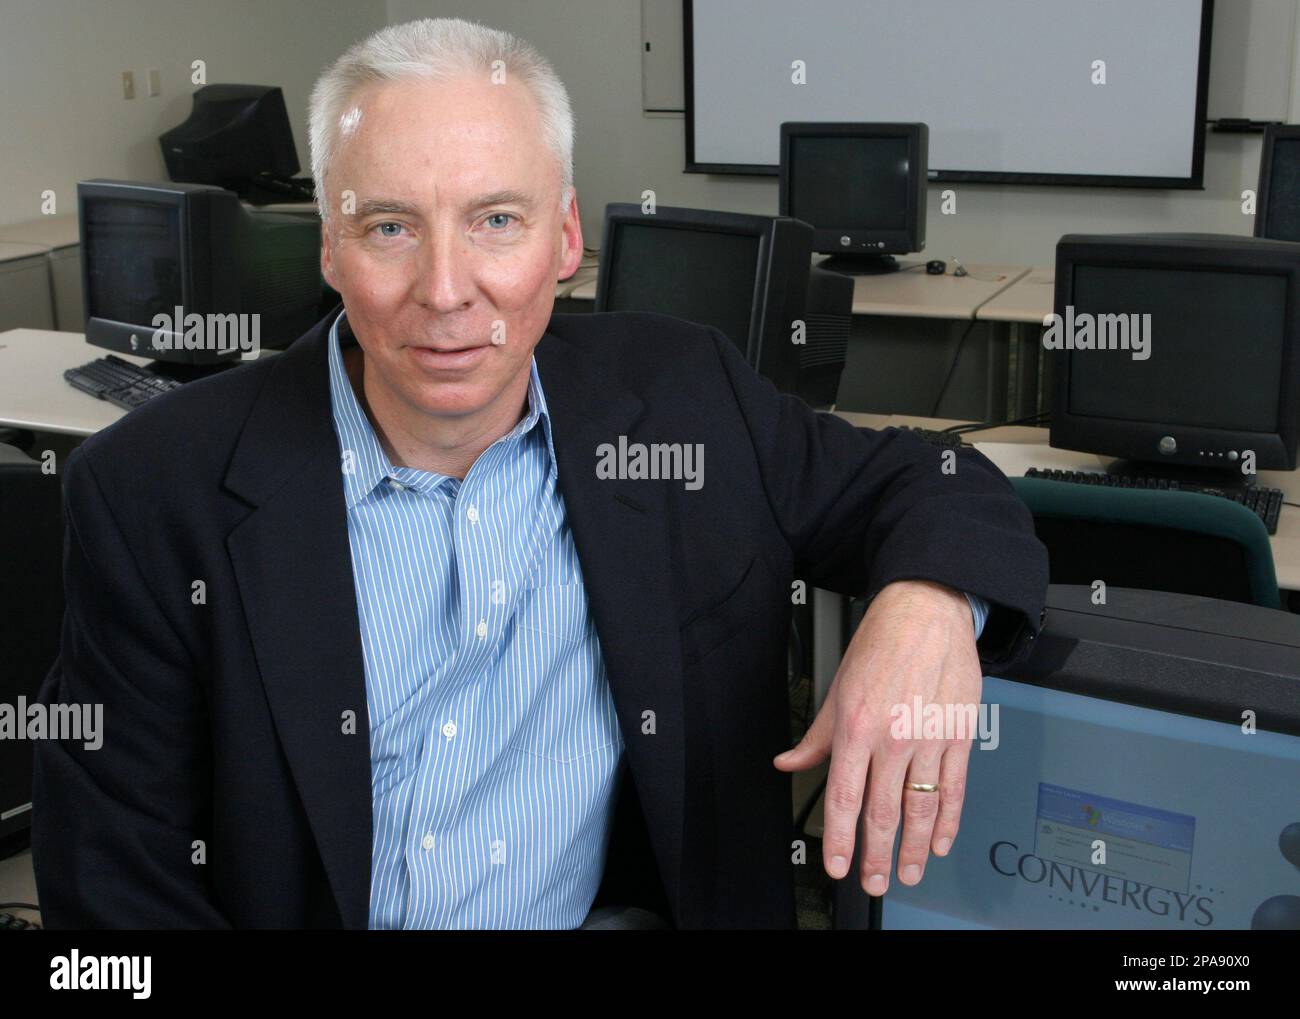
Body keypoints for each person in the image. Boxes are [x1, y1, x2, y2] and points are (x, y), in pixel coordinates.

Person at [32, 17, 1047, 929]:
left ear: (564, 238)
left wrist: (924, 603)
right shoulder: (153, 490)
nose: (445, 290)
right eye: (390, 225)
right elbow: (117, 895)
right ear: (330, 248)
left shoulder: (683, 396)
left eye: (495, 221)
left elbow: (932, 474)